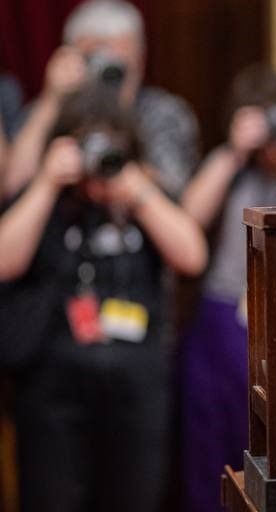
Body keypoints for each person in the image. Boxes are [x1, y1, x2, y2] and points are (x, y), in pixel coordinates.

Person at [0, 86, 207, 511]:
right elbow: (4, 263)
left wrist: (137, 192)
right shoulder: (48, 198)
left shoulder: (141, 193)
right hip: (52, 393)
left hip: (136, 392)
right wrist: (46, 182)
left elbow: (191, 257)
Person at [178, 65, 276, 512]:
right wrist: (233, 152)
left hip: (275, 321)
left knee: (261, 448)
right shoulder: (232, 170)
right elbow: (188, 218)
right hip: (218, 319)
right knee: (207, 442)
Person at [3, 0, 200, 199]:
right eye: (94, 64)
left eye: (117, 68)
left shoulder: (162, 112)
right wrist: (50, 99)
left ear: (140, 63)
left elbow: (177, 192)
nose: (106, 78)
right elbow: (12, 186)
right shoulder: (52, 110)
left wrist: (119, 167)